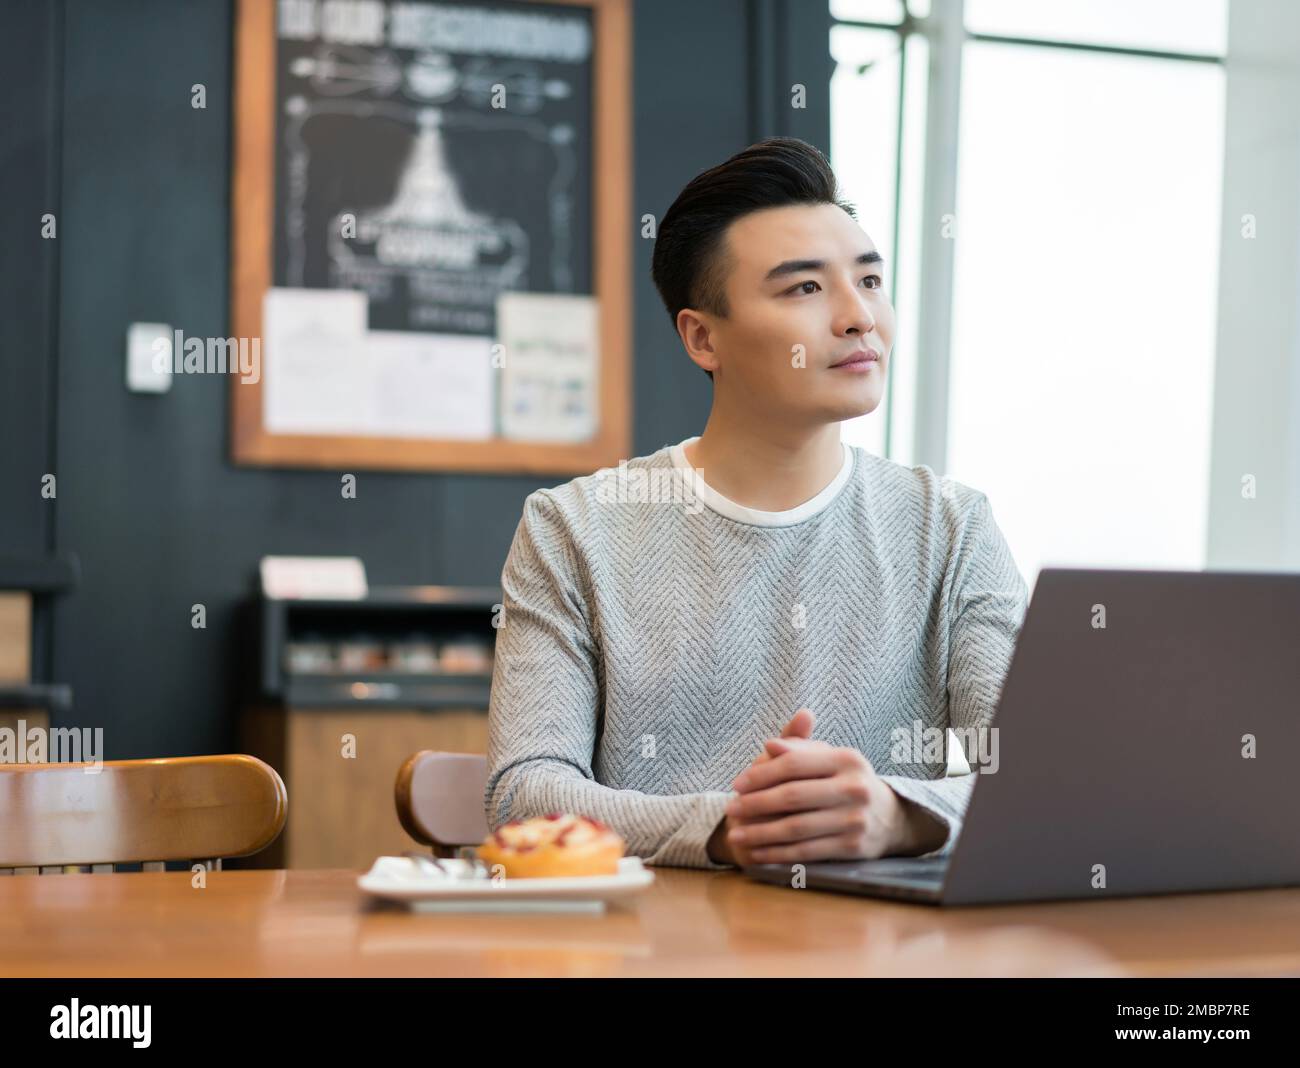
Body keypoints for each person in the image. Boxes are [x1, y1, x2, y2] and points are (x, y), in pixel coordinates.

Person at [485, 137, 1028, 869]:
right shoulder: (574, 530)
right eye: (805, 288)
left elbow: (1034, 777)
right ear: (703, 337)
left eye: (869, 280)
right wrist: (733, 827)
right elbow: (524, 793)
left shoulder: (953, 528)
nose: (858, 317)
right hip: (648, 951)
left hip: (881, 952)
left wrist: (896, 814)